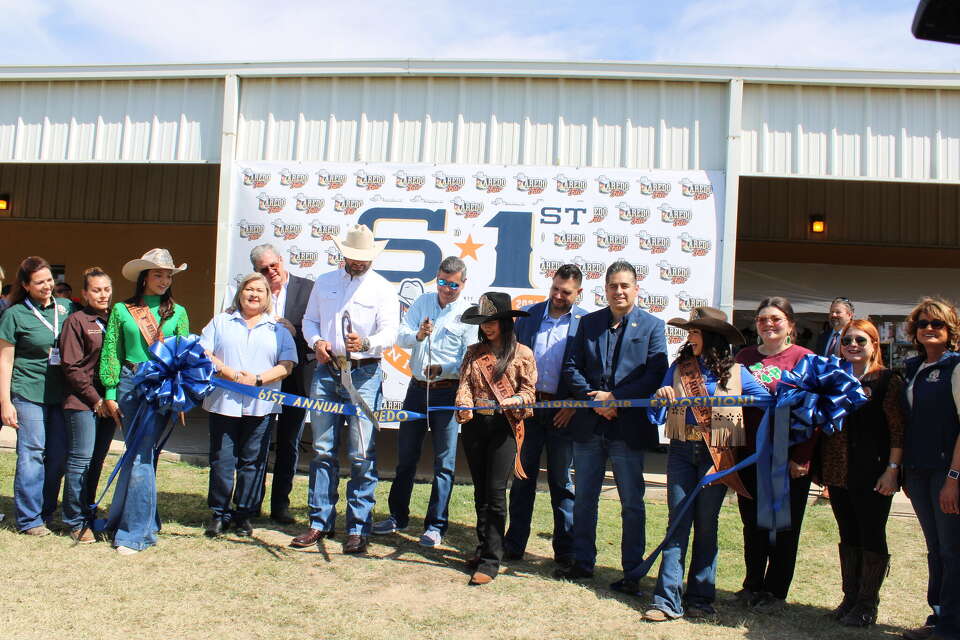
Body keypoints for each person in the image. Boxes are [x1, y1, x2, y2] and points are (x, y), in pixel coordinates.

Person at [643, 307, 769, 622]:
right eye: (689, 332)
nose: (690, 338)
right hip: (681, 450)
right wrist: (660, 397)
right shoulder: (679, 368)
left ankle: (700, 597)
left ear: (712, 337)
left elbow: (766, 399)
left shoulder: (737, 372)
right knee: (677, 522)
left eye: (696, 332)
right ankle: (666, 599)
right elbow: (656, 412)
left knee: (706, 524)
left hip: (718, 453)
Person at [559, 261, 668, 594]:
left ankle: (632, 572)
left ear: (636, 288)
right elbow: (571, 367)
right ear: (605, 289)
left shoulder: (653, 326)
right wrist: (595, 400)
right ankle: (582, 562)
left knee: (632, 503)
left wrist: (616, 399)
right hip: (589, 426)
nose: (618, 291)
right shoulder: (588, 323)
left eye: (624, 286)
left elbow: (655, 374)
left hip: (627, 429)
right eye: (613, 286)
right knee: (584, 499)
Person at [291, 224, 398, 554]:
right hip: (327, 371)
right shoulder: (324, 282)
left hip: (364, 374)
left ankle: (358, 527)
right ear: (344, 255)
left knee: (362, 453)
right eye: (353, 257)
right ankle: (319, 522)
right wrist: (317, 341)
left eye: (364, 257)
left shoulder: (382, 289)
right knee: (323, 449)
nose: (359, 262)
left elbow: (390, 333)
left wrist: (366, 343)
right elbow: (309, 321)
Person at [373, 256, 474, 547]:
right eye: (442, 282)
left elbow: (469, 359)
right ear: (437, 279)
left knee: (444, 463)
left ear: (463, 284)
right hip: (416, 390)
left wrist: (444, 369)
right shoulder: (422, 302)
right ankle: (397, 516)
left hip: (447, 392)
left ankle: (435, 526)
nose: (446, 289)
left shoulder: (468, 313)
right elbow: (400, 336)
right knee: (406, 457)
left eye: (453, 285)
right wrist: (418, 334)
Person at [99, 248, 189, 555]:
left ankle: (134, 534)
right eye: (158, 274)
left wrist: (180, 396)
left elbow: (183, 357)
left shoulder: (178, 312)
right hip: (128, 384)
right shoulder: (122, 310)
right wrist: (110, 392)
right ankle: (141, 521)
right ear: (144, 277)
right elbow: (112, 351)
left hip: (160, 387)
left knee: (141, 455)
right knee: (136, 453)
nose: (164, 280)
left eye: (168, 276)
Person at [816, 318, 905, 628]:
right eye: (847, 340)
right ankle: (850, 597)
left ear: (874, 344)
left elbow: (898, 431)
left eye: (860, 340)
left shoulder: (887, 381)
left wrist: (892, 470)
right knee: (848, 534)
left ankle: (867, 604)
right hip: (838, 470)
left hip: (873, 471)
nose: (852, 345)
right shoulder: (834, 378)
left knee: (871, 534)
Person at [734, 296, 815, 612]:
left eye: (775, 319)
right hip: (749, 455)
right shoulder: (744, 357)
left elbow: (814, 413)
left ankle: (775, 591)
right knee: (752, 523)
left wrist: (802, 457)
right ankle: (752, 584)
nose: (768, 324)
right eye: (762, 319)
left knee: (783, 527)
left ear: (790, 325)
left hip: (788, 457)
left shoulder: (804, 358)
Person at [200, 272, 297, 538]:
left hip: (261, 407)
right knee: (222, 460)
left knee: (252, 462)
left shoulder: (278, 329)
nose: (254, 294)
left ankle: (244, 514)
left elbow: (287, 365)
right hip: (223, 403)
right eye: (249, 289)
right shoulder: (221, 322)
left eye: (260, 290)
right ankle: (219, 514)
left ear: (267, 297)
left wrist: (257, 379)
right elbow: (204, 353)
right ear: (240, 293)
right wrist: (229, 373)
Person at [503, 264, 586, 567]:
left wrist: (573, 404)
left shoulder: (586, 323)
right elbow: (511, 360)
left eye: (566, 292)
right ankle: (514, 545)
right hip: (528, 410)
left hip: (564, 414)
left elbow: (589, 368)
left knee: (562, 484)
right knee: (521, 479)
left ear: (579, 292)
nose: (559, 296)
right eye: (555, 289)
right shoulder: (530, 315)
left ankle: (565, 551)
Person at [455, 291, 536, 585]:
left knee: (495, 492)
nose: (487, 327)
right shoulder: (473, 352)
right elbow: (464, 384)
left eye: (493, 321)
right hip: (475, 426)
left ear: (505, 322)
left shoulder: (523, 354)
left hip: (504, 427)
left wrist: (517, 399)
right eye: (484, 322)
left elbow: (529, 392)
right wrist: (464, 404)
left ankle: (491, 560)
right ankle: (483, 549)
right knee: (480, 491)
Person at [900, 297, 960, 640]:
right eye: (922, 323)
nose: (928, 329)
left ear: (950, 329)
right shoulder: (912, 368)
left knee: (952, 550)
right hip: (918, 470)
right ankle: (937, 616)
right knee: (935, 548)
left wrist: (953, 478)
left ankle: (951, 626)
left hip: (946, 472)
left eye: (937, 323)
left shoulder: (956, 366)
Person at [0, 256, 73, 536]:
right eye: (39, 282)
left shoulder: (66, 308)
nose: (47, 286)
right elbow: (5, 361)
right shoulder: (14, 315)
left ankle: (46, 512)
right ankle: (29, 519)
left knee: (57, 456)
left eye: (49, 280)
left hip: (60, 394)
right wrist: (5, 402)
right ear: (25, 285)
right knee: (32, 453)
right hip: (27, 391)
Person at [247, 243, 315, 525]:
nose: (271, 272)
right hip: (261, 377)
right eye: (263, 269)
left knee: (289, 442)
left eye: (273, 265)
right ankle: (250, 504)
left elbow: (319, 330)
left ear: (282, 260)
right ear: (256, 271)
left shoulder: (308, 289)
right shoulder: (253, 292)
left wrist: (293, 330)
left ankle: (280, 506)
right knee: (257, 441)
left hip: (296, 377)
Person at [58, 267, 117, 543]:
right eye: (96, 290)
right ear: (84, 293)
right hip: (83, 401)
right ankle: (74, 520)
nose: (102, 295)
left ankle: (88, 510)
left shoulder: (115, 318)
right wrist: (96, 399)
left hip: (109, 401)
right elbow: (71, 367)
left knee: (97, 461)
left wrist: (110, 398)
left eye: (106, 289)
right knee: (81, 460)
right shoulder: (76, 321)